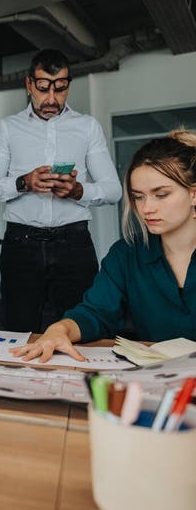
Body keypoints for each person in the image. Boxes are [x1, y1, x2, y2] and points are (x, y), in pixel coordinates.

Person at [12, 130, 196, 362]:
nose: (147, 208)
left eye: (161, 195)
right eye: (138, 197)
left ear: (193, 195)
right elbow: (95, 313)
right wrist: (60, 330)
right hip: (159, 384)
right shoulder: (126, 254)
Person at [0, 48, 121, 331]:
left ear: (68, 85)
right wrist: (23, 183)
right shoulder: (8, 128)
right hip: (21, 245)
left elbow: (113, 190)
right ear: (30, 84)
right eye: (43, 89)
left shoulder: (87, 127)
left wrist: (79, 191)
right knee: (19, 333)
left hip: (74, 244)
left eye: (61, 89)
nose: (52, 99)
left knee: (80, 328)